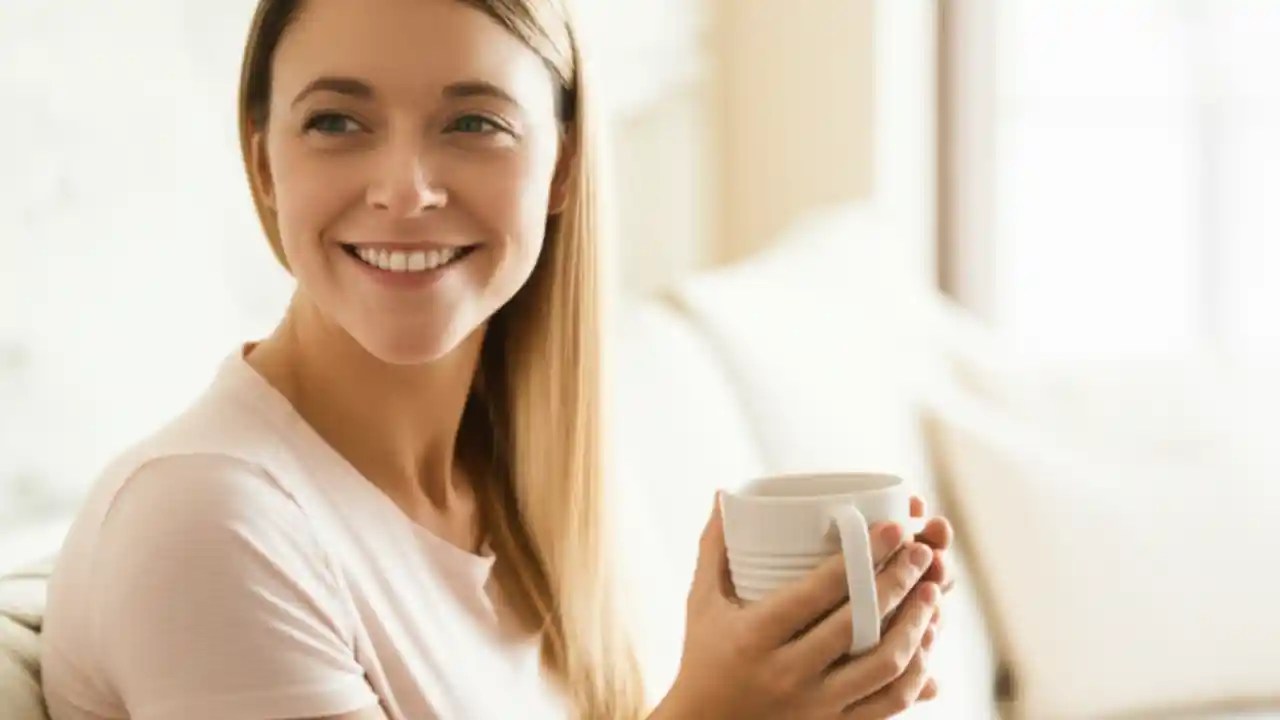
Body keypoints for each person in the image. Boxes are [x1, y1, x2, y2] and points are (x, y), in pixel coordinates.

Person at [39, 0, 956, 718]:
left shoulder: (540, 488)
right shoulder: (207, 523)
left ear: (561, 165)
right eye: (336, 122)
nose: (405, 190)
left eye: (472, 123)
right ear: (265, 164)